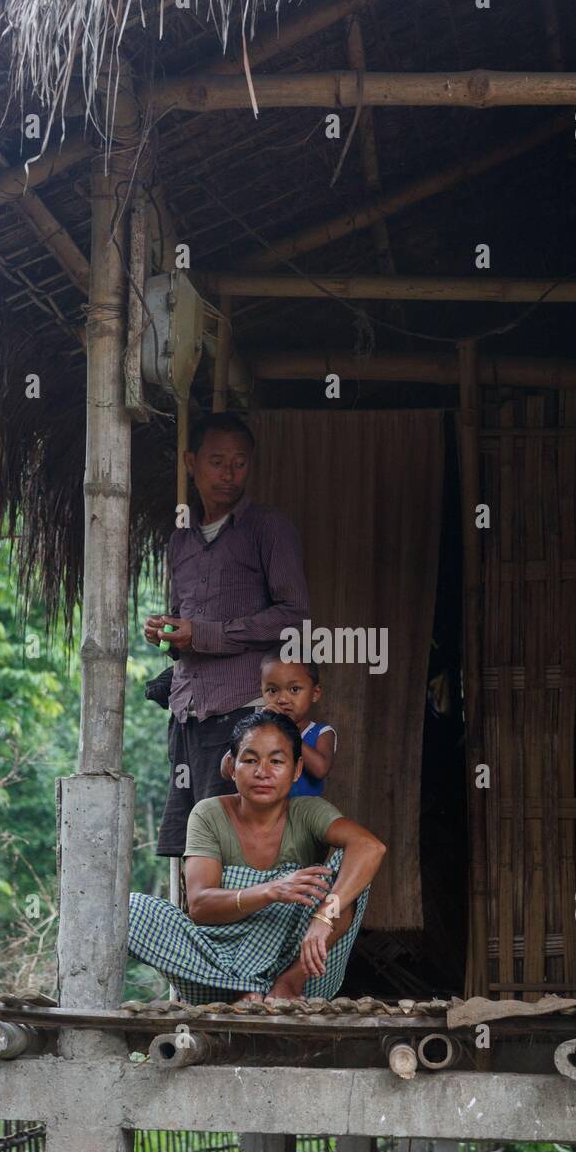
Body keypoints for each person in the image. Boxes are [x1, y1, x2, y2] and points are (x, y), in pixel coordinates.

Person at [128, 710, 386, 1003]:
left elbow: (370, 847)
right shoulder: (208, 813)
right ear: (232, 766)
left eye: (276, 761)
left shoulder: (309, 811)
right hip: (213, 969)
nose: (263, 772)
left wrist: (324, 917)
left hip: (299, 967)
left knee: (344, 873)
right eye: (250, 760)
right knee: (133, 908)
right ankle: (239, 988)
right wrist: (270, 891)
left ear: (297, 769)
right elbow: (200, 905)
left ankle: (286, 985)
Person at [145, 412, 310, 856]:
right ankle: (196, 924)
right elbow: (185, 624)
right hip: (187, 711)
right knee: (193, 843)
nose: (229, 474)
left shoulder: (267, 528)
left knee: (235, 842)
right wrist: (166, 633)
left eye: (239, 462)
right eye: (217, 462)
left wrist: (205, 633)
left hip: (243, 710)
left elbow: (294, 615)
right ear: (191, 462)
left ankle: (240, 922)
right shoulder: (180, 539)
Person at [220, 655, 337, 797]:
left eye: (294, 689)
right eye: (272, 691)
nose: (282, 700)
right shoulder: (259, 733)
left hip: (302, 814)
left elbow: (321, 770)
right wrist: (252, 731)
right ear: (262, 692)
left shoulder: (322, 733)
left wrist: (289, 730)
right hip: (263, 814)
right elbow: (226, 770)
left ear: (315, 693)